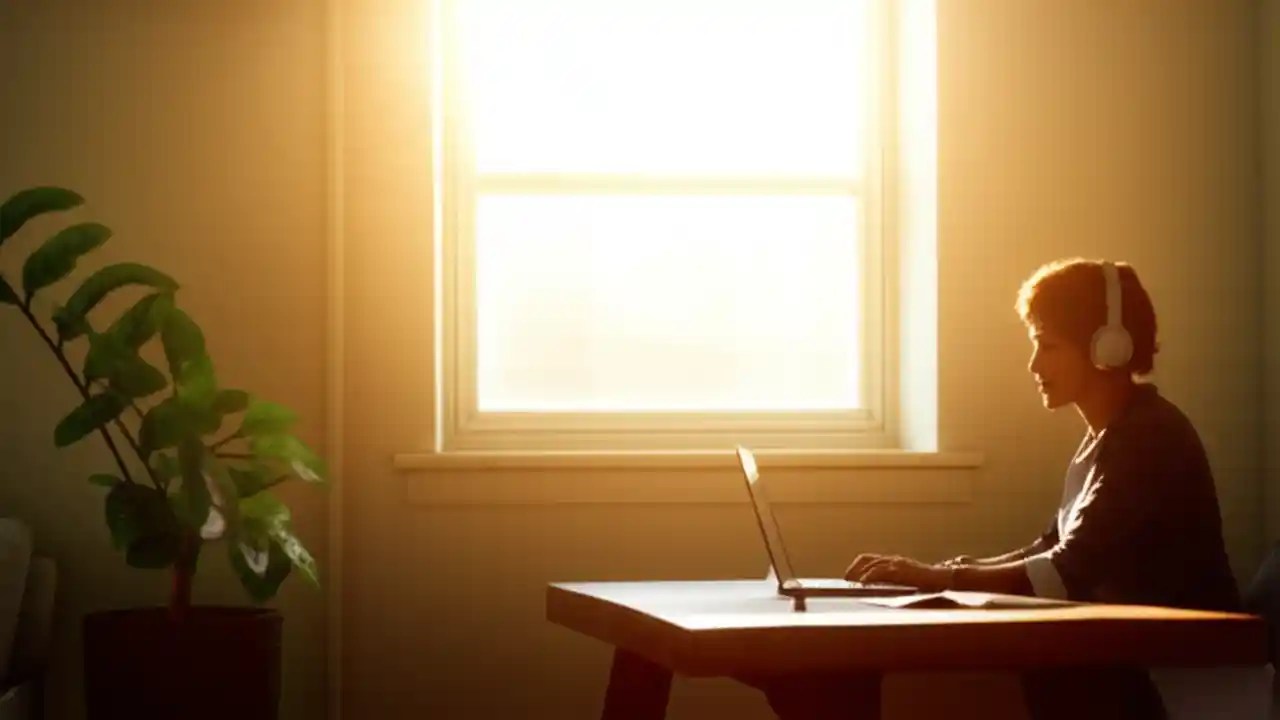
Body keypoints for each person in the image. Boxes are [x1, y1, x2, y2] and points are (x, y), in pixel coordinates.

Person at [750, 258, 1240, 719]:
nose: (1033, 365)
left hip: (1173, 680)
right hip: (1126, 659)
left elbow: (1065, 571)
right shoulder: (1111, 437)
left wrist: (938, 578)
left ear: (1106, 346)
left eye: (1047, 345)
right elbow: (1051, 546)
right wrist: (947, 571)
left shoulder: (1149, 436)